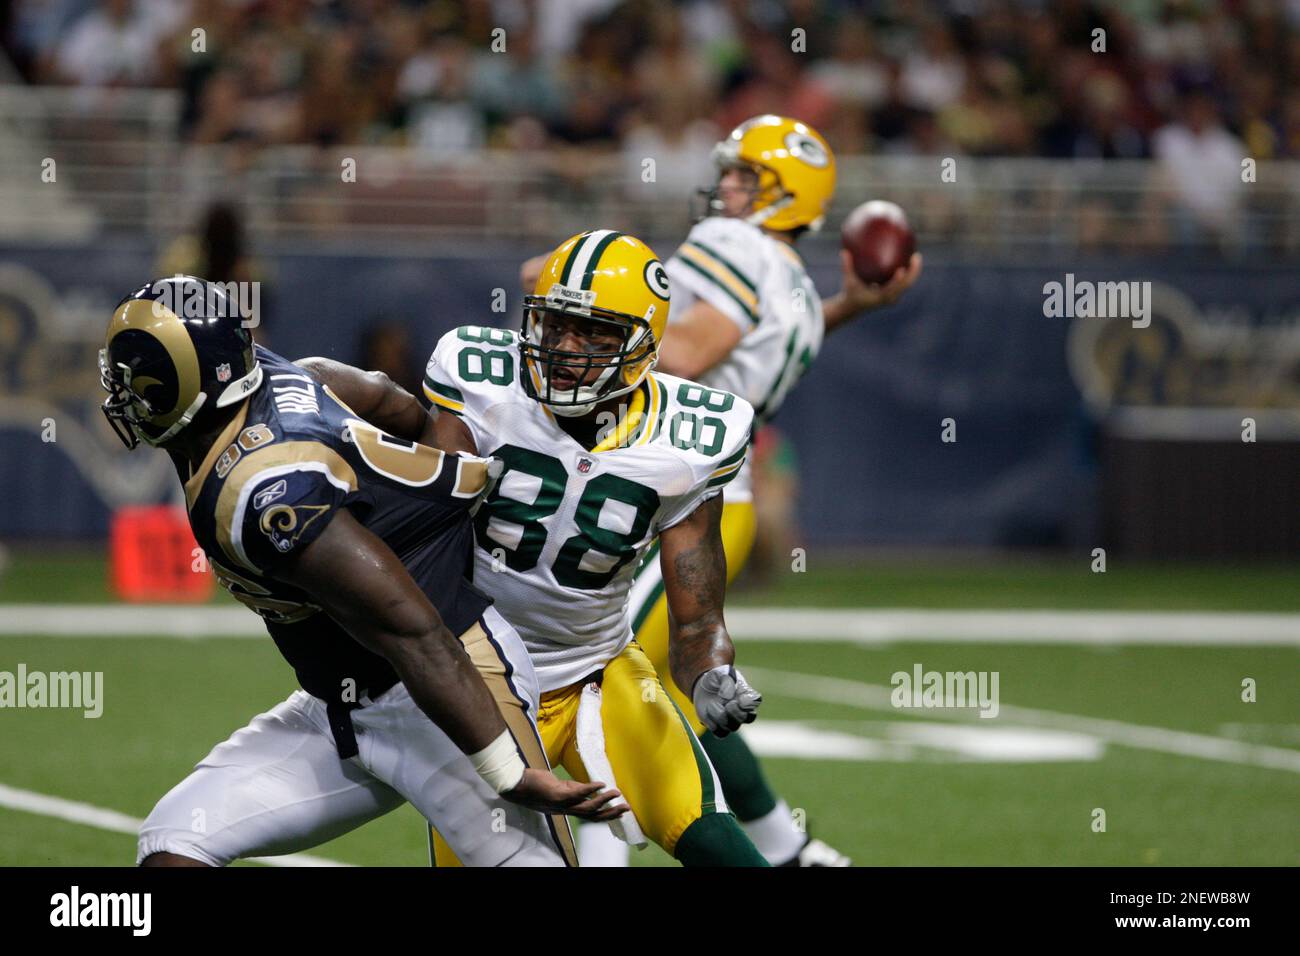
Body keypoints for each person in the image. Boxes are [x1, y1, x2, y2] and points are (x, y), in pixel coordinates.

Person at [98, 276, 622, 867]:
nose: (120, 393)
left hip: (445, 689)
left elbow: (414, 631)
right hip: (339, 709)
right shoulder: (255, 379)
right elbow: (380, 395)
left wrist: (506, 771)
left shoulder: (267, 493)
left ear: (176, 389)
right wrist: (402, 473)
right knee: (174, 843)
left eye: (130, 379)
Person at [526, 115, 921, 866]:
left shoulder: (734, 246)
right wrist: (855, 308)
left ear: (783, 195)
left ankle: (721, 852)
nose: (727, 187)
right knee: (642, 696)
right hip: (714, 504)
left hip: (673, 500)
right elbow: (749, 343)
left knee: (597, 689)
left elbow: (690, 352)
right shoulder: (798, 288)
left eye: (744, 176)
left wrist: (583, 299)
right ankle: (789, 849)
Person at [418, 231, 768, 866]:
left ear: (643, 346)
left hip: (597, 670)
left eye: (596, 334)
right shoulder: (481, 383)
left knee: (719, 845)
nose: (565, 351)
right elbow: (424, 535)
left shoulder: (691, 438)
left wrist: (710, 672)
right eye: (555, 326)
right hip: (480, 685)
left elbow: (696, 624)